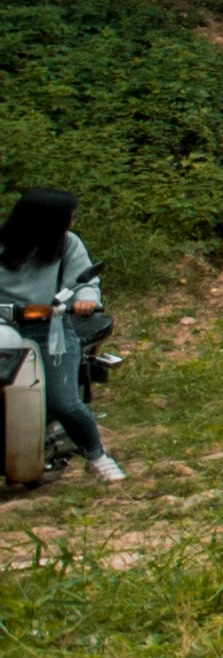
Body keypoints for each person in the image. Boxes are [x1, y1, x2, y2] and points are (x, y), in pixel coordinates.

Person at [3, 193, 117, 488]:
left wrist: (86, 300)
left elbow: (85, 281)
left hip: (48, 327)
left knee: (63, 401)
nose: (72, 222)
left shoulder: (67, 243)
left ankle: (97, 456)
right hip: (3, 327)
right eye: (70, 216)